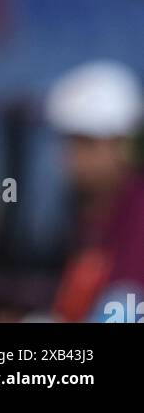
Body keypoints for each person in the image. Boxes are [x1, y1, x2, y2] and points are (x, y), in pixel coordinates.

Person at [45, 60, 144, 322]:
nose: (75, 158)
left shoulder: (138, 210)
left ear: (124, 145)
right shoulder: (75, 212)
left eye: (88, 144)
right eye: (70, 143)